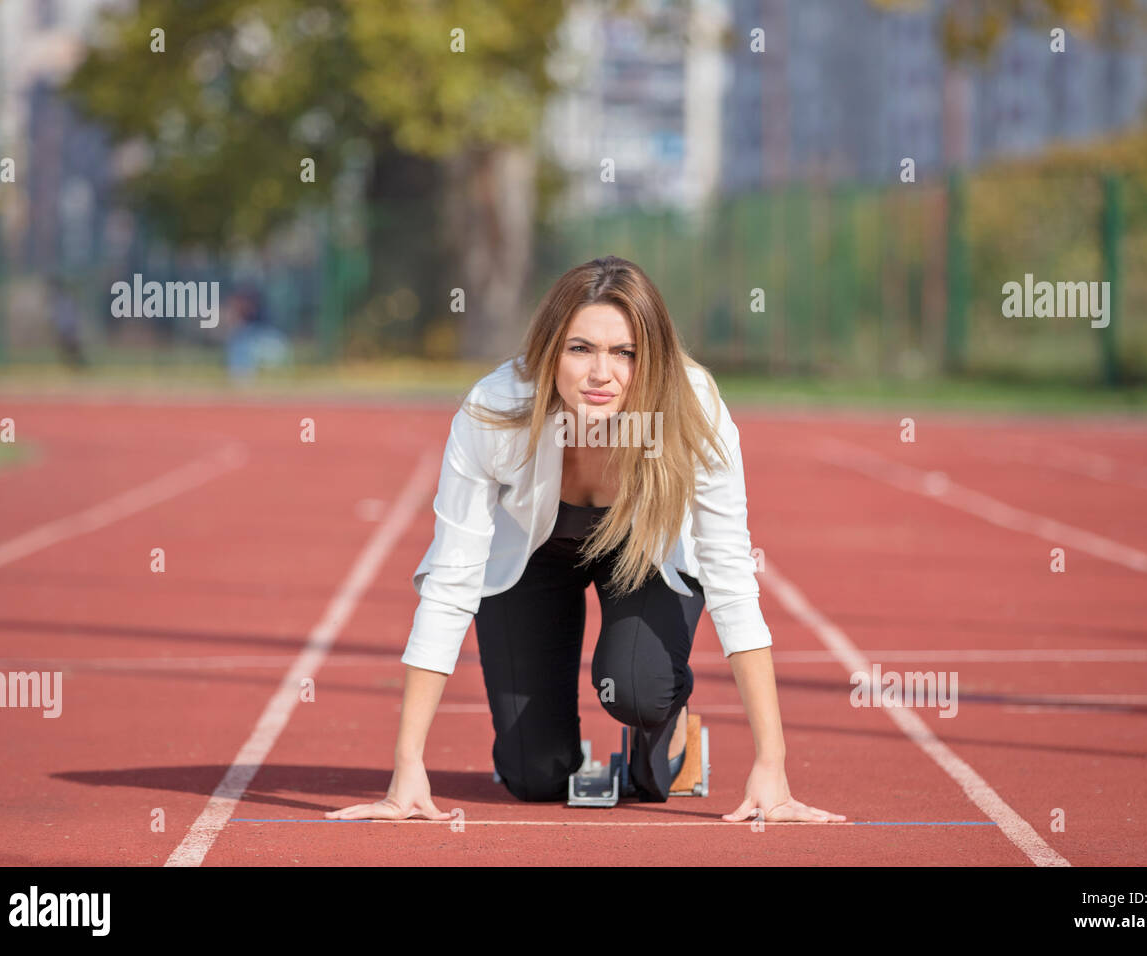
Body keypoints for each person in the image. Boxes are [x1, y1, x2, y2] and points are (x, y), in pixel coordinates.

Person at [327, 255, 845, 824]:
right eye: (581, 349)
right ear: (549, 349)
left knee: (638, 694)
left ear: (653, 356)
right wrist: (407, 765)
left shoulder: (692, 406)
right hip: (531, 557)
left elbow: (730, 574)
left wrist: (772, 762)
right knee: (535, 777)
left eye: (625, 352)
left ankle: (667, 732)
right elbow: (452, 578)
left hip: (641, 549)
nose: (603, 373)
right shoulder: (495, 409)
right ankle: (548, 752)